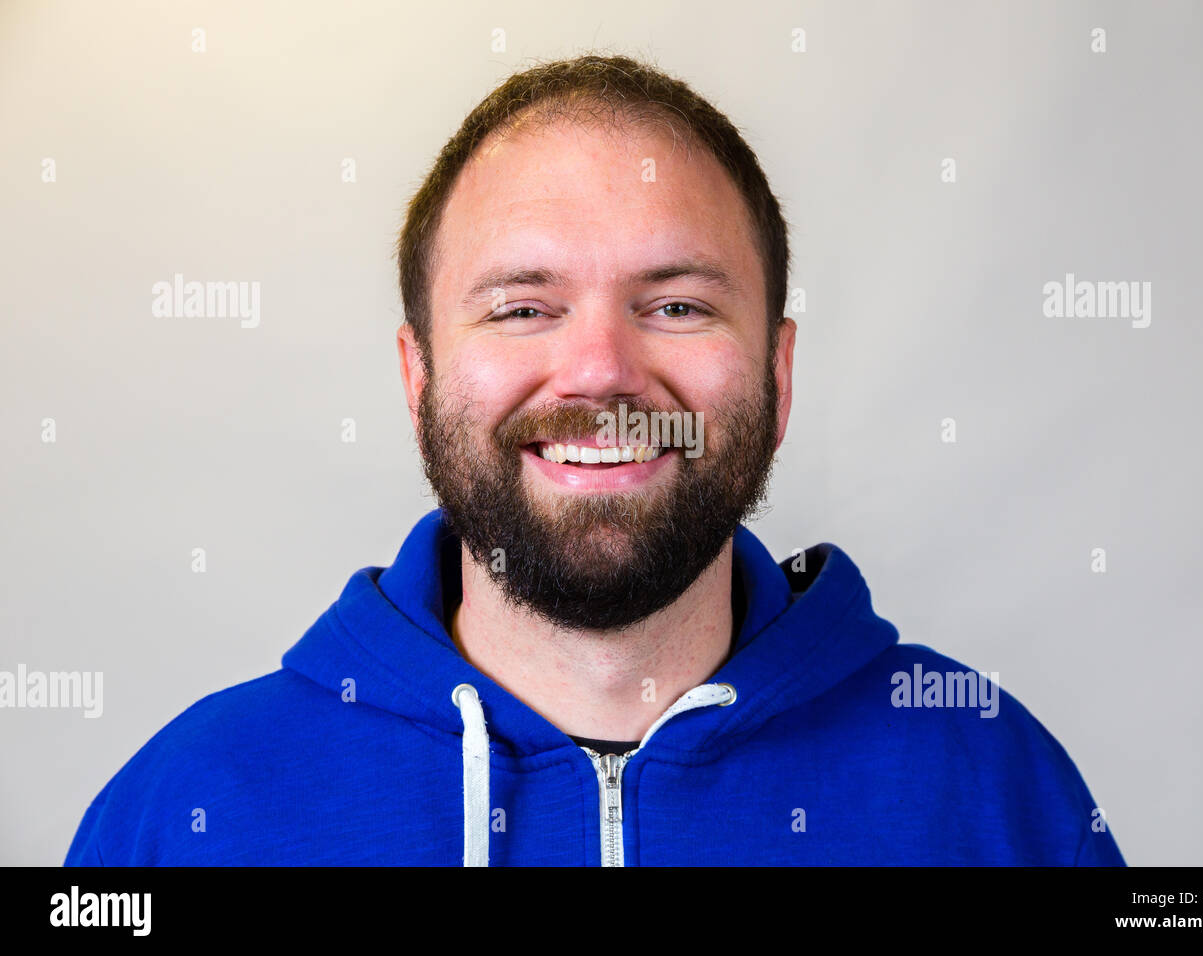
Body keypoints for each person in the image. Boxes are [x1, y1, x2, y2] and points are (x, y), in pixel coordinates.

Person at [65, 54, 1124, 866]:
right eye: (524, 307)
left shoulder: (995, 792)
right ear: (418, 374)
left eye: (674, 305)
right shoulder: (185, 812)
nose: (599, 372)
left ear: (777, 370)